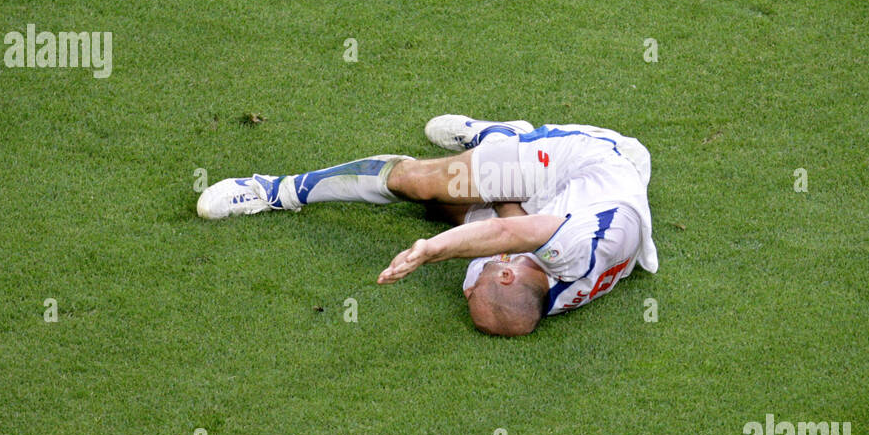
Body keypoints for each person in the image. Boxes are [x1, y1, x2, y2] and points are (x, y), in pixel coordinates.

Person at [196, 115, 658, 336]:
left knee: (444, 208)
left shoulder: (535, 299)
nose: (465, 288)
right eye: (472, 289)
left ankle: (495, 143)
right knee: (421, 183)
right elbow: (503, 236)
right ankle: (275, 190)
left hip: (555, 211)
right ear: (506, 272)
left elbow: (511, 231)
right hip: (585, 162)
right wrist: (428, 251)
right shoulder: (578, 248)